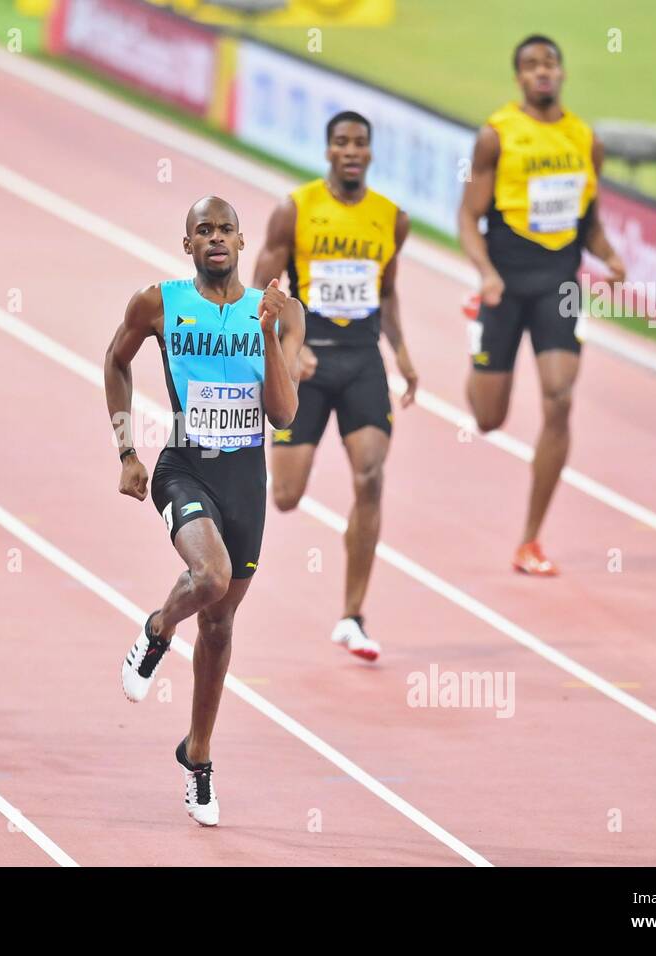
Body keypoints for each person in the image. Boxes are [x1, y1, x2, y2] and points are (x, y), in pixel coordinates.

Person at [104, 196, 304, 826]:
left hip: (246, 477)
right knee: (210, 576)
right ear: (186, 244)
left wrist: (271, 333)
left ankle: (198, 757)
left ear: (243, 242)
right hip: (184, 466)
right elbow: (116, 361)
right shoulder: (157, 303)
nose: (215, 239)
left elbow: (283, 414)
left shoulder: (279, 311)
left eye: (225, 230)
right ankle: (157, 631)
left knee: (218, 628)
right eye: (203, 231)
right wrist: (127, 449)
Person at [253, 110, 417, 660]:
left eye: (360, 143)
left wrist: (404, 354)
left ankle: (352, 616)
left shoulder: (391, 219)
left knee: (371, 476)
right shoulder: (295, 211)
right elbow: (262, 293)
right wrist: (284, 350)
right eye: (342, 143)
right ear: (327, 151)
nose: (351, 151)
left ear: (370, 153)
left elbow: (387, 292)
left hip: (363, 360)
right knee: (285, 496)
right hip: (308, 363)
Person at [458, 36, 625, 575]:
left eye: (550, 62)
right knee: (488, 418)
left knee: (559, 398)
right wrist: (484, 272)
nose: (542, 72)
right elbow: (467, 216)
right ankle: (476, 336)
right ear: (519, 79)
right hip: (505, 285)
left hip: (559, 284)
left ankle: (530, 539)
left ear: (562, 71)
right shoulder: (497, 135)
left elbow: (589, 221)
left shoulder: (585, 139)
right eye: (530, 66)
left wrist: (610, 256)